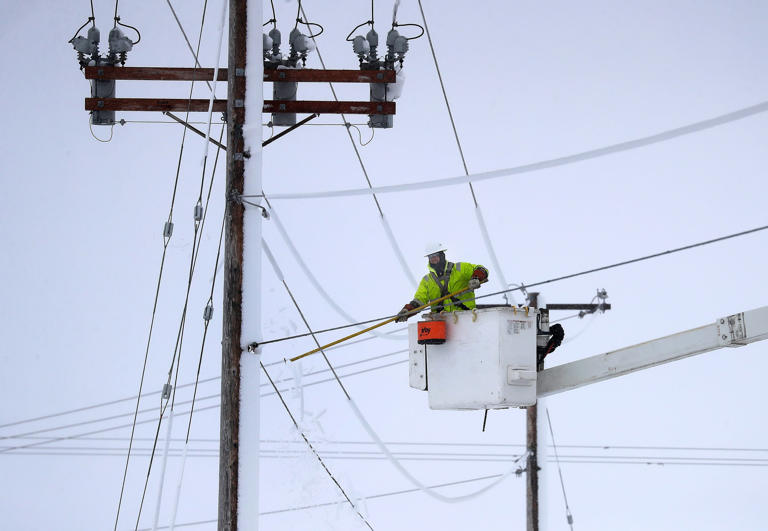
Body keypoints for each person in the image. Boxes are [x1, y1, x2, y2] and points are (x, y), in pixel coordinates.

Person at [395, 243, 489, 322]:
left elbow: (481, 269)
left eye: (435, 255)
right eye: (430, 257)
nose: (433, 259)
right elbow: (419, 300)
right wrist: (407, 311)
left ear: (442, 255)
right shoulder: (427, 280)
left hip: (467, 318)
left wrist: (476, 277)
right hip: (441, 322)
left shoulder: (459, 268)